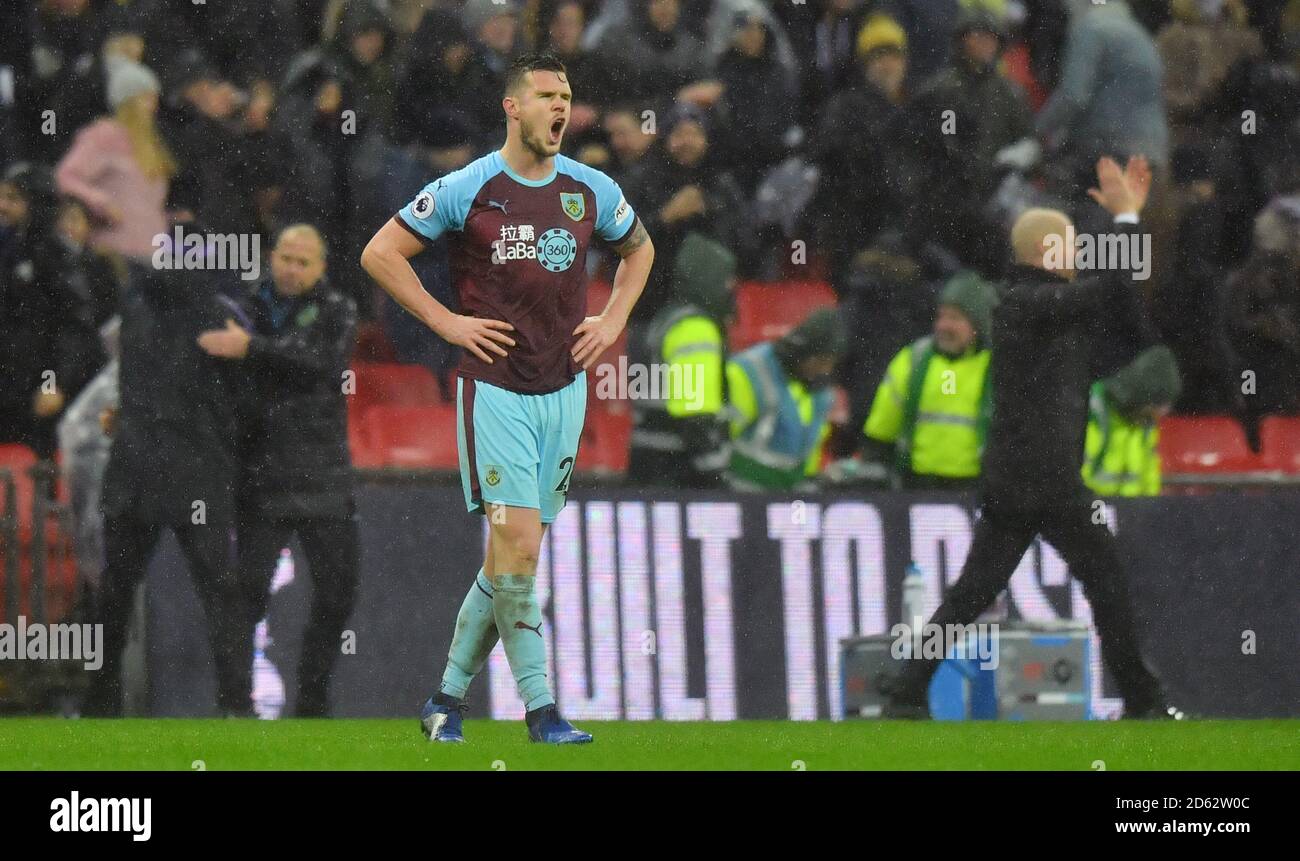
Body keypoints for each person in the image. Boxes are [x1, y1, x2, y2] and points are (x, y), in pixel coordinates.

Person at [360, 52, 654, 744]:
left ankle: (443, 701)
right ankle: (542, 710)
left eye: (567, 96)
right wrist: (447, 322)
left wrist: (612, 320)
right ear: (512, 107)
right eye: (546, 95)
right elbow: (380, 252)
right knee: (518, 545)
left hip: (565, 389)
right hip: (494, 389)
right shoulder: (470, 187)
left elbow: (639, 251)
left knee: (509, 561)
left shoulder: (588, 190)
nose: (560, 107)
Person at [883, 156, 1186, 720]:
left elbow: (1121, 293)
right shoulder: (1027, 304)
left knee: (971, 594)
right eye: (1070, 247)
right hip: (1047, 481)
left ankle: (905, 693)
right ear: (1050, 254)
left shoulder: (1027, 304)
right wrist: (1123, 219)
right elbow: (1116, 285)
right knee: (1108, 586)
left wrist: (1130, 223)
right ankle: (1143, 701)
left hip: (1015, 480)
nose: (1077, 257)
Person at [197, 225, 359, 718]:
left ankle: (312, 701)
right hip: (260, 472)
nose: (291, 268)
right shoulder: (243, 308)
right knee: (245, 597)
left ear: (320, 268)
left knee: (338, 594)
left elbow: (322, 362)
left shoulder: (338, 310)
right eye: (285, 257)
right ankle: (234, 704)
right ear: (272, 257)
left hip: (323, 473)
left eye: (302, 261)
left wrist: (254, 350)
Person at [82, 261, 251, 718]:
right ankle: (238, 706)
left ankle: (98, 706)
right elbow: (242, 397)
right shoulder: (219, 316)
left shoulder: (133, 313)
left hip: (136, 472)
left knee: (113, 597)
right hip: (194, 474)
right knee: (220, 595)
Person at [860, 271, 998, 491]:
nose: (943, 326)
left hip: (976, 488)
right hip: (917, 485)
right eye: (941, 317)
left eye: (955, 318)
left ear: (977, 325)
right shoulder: (913, 360)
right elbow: (881, 431)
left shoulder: (996, 366)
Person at [627, 232, 736, 488]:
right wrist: (717, 475)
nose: (731, 287)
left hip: (650, 466)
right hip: (678, 473)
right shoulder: (695, 328)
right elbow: (695, 415)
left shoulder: (668, 317)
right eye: (726, 279)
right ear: (709, 278)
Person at [726, 307, 847, 491]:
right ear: (804, 350)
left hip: (787, 501)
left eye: (829, 363)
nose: (825, 370)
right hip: (741, 495)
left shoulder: (820, 392)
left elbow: (810, 452)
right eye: (820, 361)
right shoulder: (750, 372)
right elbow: (722, 438)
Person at [1082, 345, 1181, 498]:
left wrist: (1150, 508)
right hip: (1093, 511)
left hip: (1132, 514)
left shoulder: (1146, 424)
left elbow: (1149, 476)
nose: (1162, 413)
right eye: (1157, 405)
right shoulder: (1093, 411)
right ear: (1142, 399)